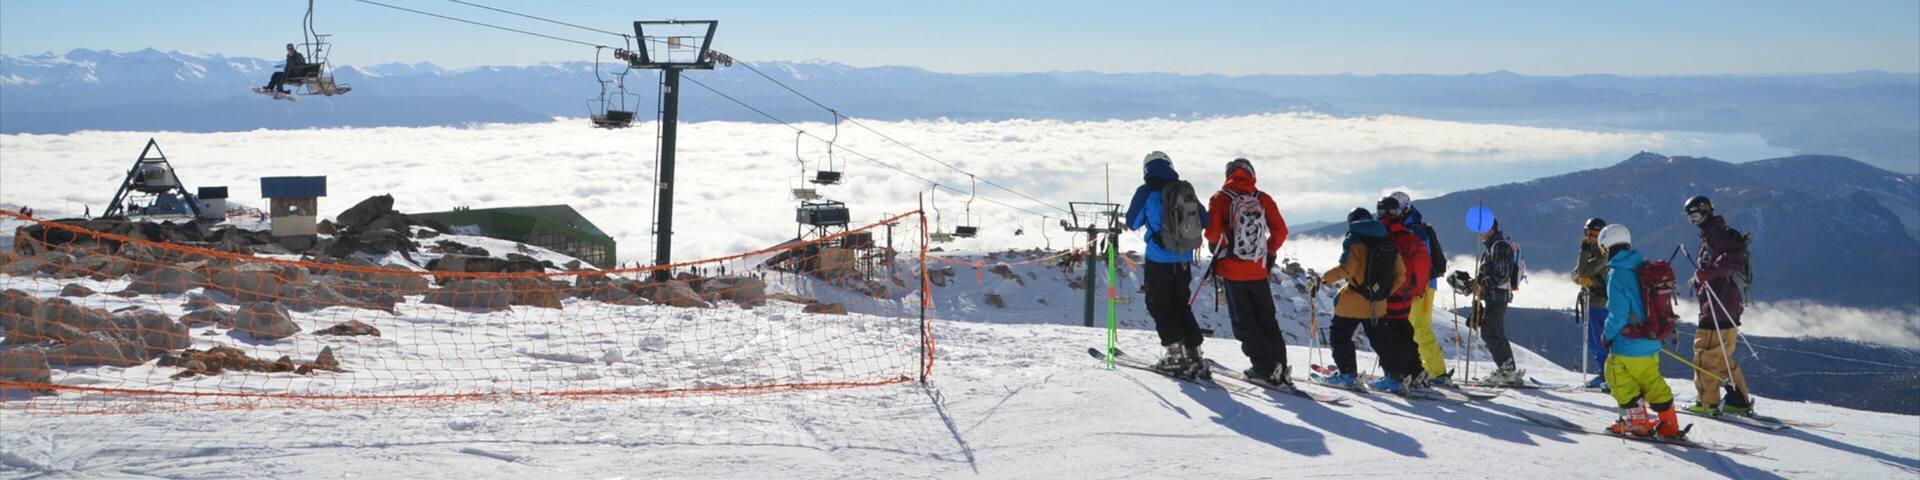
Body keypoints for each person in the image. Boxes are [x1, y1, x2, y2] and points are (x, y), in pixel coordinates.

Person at [1202, 158, 1292, 385]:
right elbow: (1281, 231)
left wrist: (1218, 246)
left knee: (1244, 322)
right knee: (1266, 319)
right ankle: (1279, 366)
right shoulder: (1262, 198)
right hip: (1258, 270)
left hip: (1232, 269)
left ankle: (1263, 369)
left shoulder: (1220, 198)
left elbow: (1212, 234)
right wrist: (1269, 252)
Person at [1123, 151, 1208, 377]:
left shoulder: (1146, 191)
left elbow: (1132, 222)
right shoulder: (1184, 189)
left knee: (1159, 304)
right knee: (1181, 304)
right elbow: (1204, 219)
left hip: (1159, 258)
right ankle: (1195, 354)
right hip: (1184, 258)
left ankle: (1175, 354)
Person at [1597, 224, 1684, 439]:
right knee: (1652, 382)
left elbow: (1618, 314)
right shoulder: (1642, 266)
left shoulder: (1617, 274)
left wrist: (1606, 336)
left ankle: (1638, 423)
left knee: (1616, 376)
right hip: (1652, 339)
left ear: (1606, 247)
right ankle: (1669, 425)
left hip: (1629, 342)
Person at [1318, 208, 1407, 390]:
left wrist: (1324, 279)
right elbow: (1401, 275)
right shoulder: (1386, 239)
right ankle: (1394, 377)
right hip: (1377, 304)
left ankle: (1347, 375)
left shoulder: (1354, 238)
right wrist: (1382, 293)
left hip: (1352, 302)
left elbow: (1347, 268)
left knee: (1340, 336)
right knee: (1382, 340)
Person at [1683, 195, 1755, 416]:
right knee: (1721, 357)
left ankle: (1707, 403)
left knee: (1705, 354)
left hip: (1717, 306)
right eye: (1690, 217)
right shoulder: (1713, 233)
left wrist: (1707, 273)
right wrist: (1703, 276)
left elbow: (1735, 257)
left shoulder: (1716, 233)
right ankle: (1738, 400)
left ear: (1706, 212)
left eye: (1696, 215)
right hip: (1726, 304)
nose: (1694, 221)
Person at [1392, 191, 1451, 387]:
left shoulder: (1416, 230)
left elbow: (1421, 262)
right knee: (1410, 328)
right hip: (1412, 286)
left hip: (1423, 286)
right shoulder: (1406, 227)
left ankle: (1438, 372)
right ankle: (1421, 369)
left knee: (1420, 328)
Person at [1372, 196, 1430, 391]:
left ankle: (1395, 375)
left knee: (1387, 336)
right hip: (1407, 294)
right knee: (1404, 332)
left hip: (1389, 293)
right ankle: (1416, 371)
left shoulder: (1382, 235)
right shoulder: (1408, 233)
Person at [1474, 218, 1523, 384]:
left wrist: (1482, 285)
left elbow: (1501, 274)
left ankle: (1507, 370)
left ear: (1491, 230)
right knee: (1495, 331)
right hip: (1496, 295)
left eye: (1482, 229)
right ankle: (1508, 369)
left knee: (1491, 332)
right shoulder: (1494, 246)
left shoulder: (1498, 246)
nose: (1480, 233)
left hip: (1497, 295)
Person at [1573, 217, 1612, 390]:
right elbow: (1575, 275)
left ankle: (1608, 375)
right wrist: (1584, 279)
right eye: (1589, 234)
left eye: (1596, 234)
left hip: (1601, 304)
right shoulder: (1594, 252)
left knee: (1601, 341)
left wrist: (1584, 251)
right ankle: (1604, 373)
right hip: (1593, 303)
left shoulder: (1604, 253)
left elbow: (1582, 272)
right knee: (1595, 340)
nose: (1592, 238)